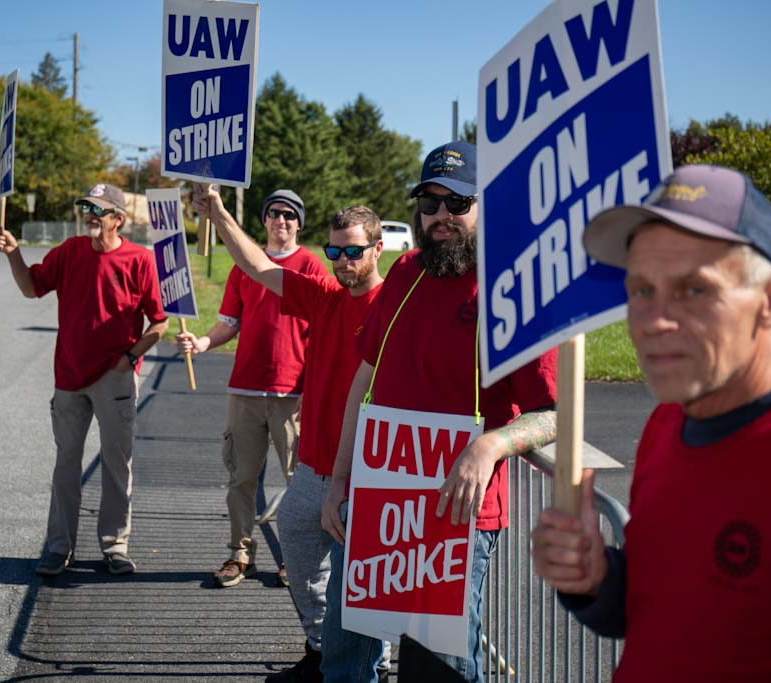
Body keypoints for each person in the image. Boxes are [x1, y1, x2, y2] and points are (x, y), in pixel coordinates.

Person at [531, 164, 771, 682]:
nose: (655, 321)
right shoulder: (666, 425)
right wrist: (598, 579)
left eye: (695, 290)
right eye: (641, 290)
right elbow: (659, 609)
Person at [320, 141, 559, 683]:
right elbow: (365, 379)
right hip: (376, 500)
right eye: (429, 204)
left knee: (438, 670)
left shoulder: (513, 288)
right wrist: (340, 482)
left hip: (459, 512)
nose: (441, 217)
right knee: (344, 659)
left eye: (458, 203)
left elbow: (552, 414)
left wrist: (491, 444)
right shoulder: (405, 271)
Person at [190, 185, 388, 682]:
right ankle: (323, 651)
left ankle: (372, 662)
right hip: (314, 469)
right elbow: (258, 266)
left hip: (367, 473)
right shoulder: (323, 296)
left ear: (377, 249)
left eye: (353, 251)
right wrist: (216, 214)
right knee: (300, 568)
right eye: (335, 251)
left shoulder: (393, 306)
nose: (342, 260)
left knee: (360, 582)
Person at [0, 183, 169, 576]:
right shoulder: (69, 252)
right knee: (66, 464)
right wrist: (14, 254)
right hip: (69, 376)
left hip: (116, 377)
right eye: (87, 207)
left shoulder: (140, 260)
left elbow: (159, 322)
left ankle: (115, 545)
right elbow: (30, 288)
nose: (90, 214)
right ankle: (59, 548)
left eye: (99, 209)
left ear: (118, 219)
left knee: (116, 464)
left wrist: (130, 357)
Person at [177, 189, 325, 588]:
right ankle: (239, 555)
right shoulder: (243, 265)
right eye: (274, 213)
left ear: (299, 222)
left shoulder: (312, 266)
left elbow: (327, 330)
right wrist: (203, 343)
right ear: (264, 220)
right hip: (245, 389)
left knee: (298, 480)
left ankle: (296, 558)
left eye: (290, 214)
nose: (281, 220)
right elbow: (230, 321)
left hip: (293, 393)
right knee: (241, 479)